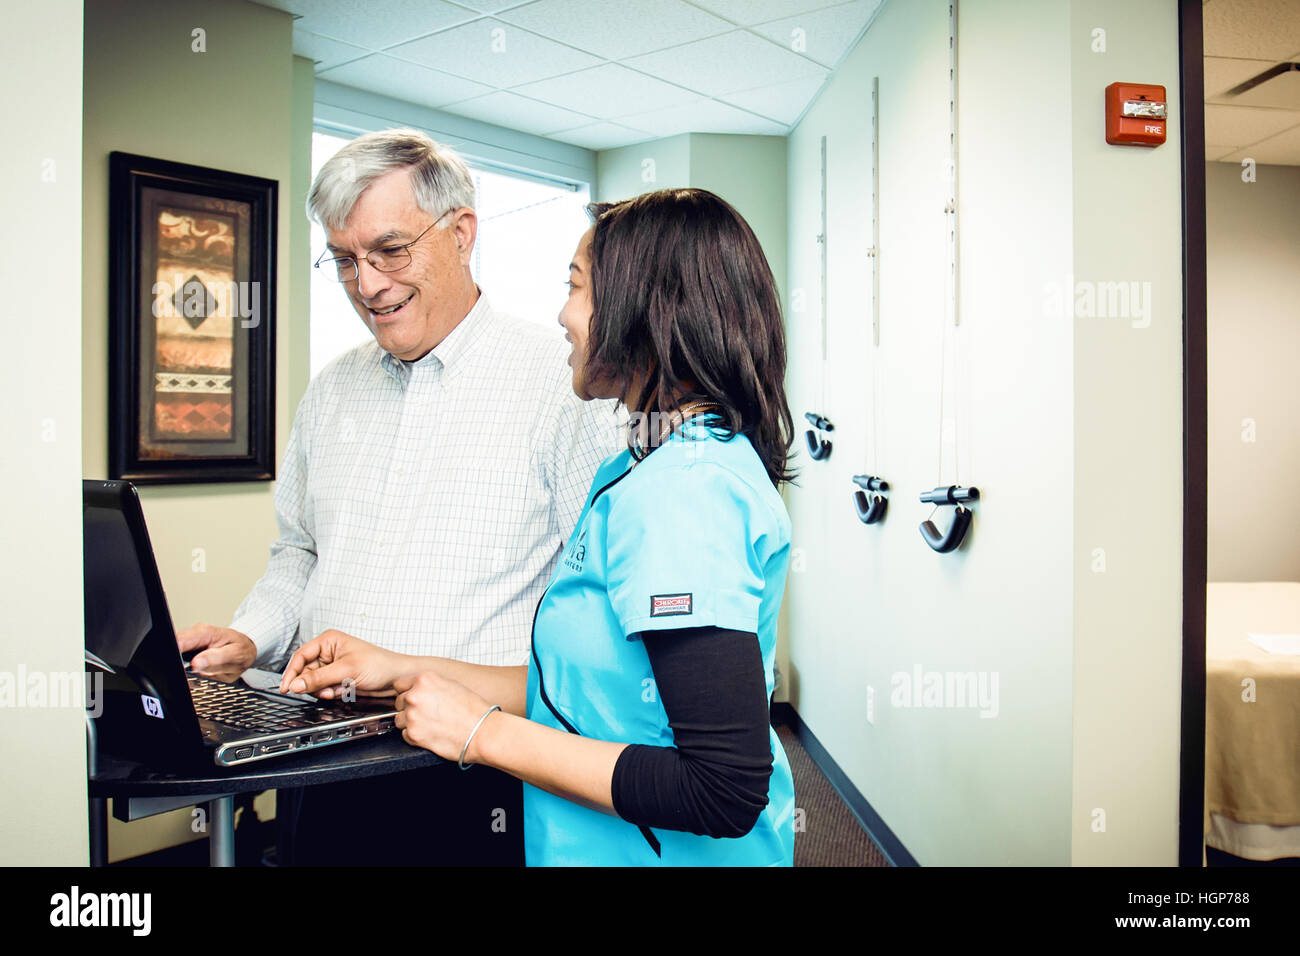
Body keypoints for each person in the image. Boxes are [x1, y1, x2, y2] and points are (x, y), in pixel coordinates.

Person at [280, 188, 798, 866]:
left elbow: (722, 788)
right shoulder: (646, 467)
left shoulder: (684, 492)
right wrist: (401, 669)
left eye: (577, 288)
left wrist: (481, 734)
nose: (564, 314)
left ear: (643, 309)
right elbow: (576, 690)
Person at [176, 128, 619, 865]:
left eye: (390, 250)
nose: (369, 284)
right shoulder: (331, 390)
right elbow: (301, 554)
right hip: (319, 756)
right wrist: (252, 636)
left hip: (474, 774)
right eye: (346, 261)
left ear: (462, 232)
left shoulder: (562, 384)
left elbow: (595, 605)